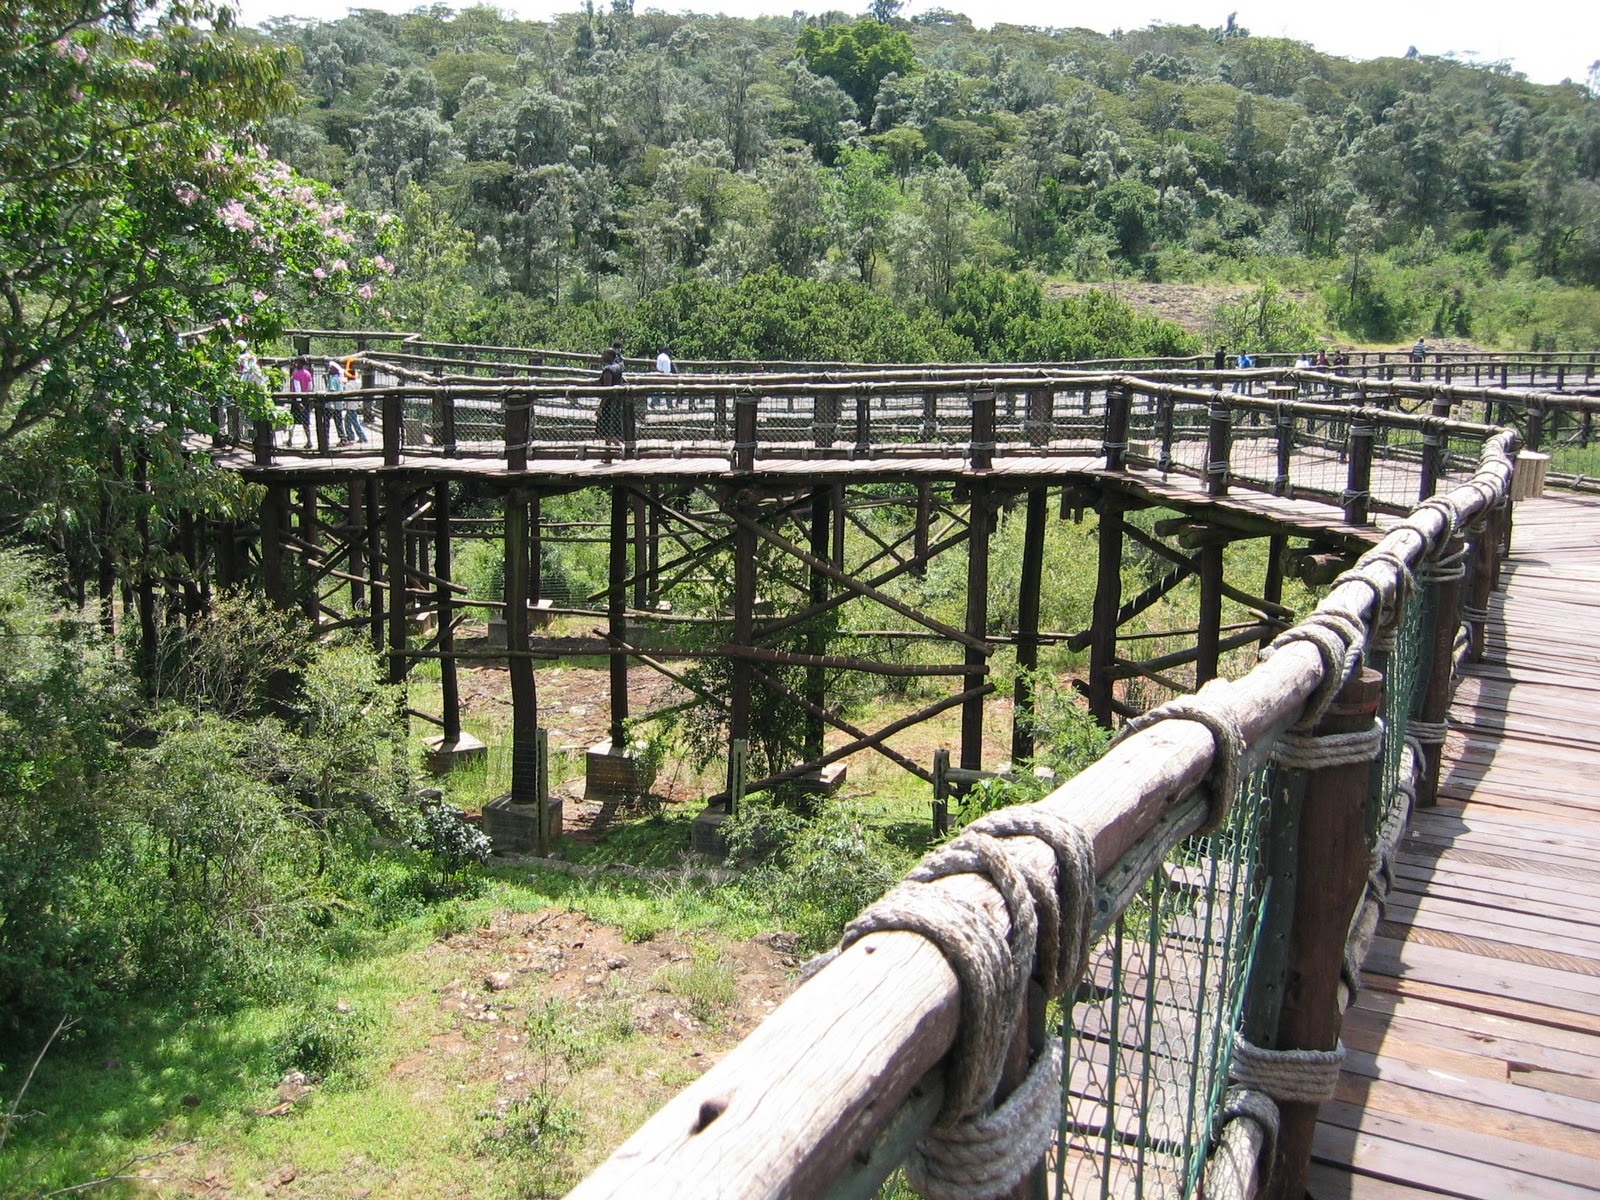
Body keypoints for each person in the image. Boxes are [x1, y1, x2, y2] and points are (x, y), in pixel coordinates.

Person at [595, 346, 625, 455]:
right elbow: (621, 382)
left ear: (610, 356)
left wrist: (600, 406)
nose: (602, 356)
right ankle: (607, 451)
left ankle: (620, 447)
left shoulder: (608, 370)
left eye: (604, 354)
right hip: (616, 402)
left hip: (608, 403)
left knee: (607, 429)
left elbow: (607, 390)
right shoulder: (618, 367)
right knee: (611, 428)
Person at [288, 356, 314, 448]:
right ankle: (309, 440)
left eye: (297, 362)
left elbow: (297, 389)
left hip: (297, 400)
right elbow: (310, 387)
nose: (295, 364)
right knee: (306, 422)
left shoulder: (296, 374)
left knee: (292, 421)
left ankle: (290, 439)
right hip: (306, 398)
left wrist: (299, 403)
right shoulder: (308, 373)